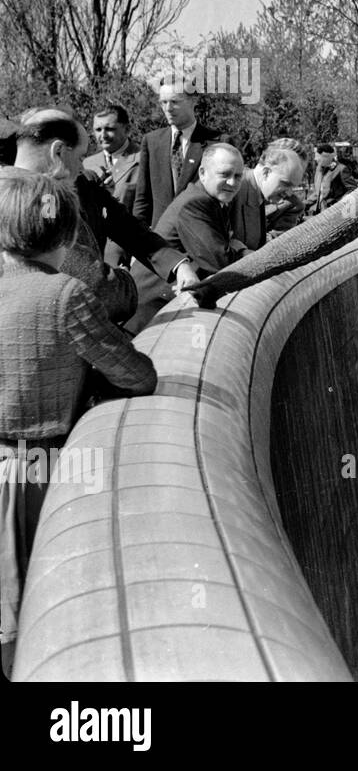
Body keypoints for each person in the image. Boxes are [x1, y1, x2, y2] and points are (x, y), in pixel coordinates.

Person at [0, 167, 157, 680]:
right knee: (36, 620)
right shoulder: (67, 295)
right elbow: (137, 375)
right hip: (36, 476)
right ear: (66, 235)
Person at [10, 110, 199, 326]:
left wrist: (178, 265)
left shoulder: (75, 184)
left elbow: (126, 226)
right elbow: (90, 283)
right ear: (59, 152)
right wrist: (124, 278)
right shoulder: (44, 201)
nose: (83, 167)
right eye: (81, 157)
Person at [125, 143, 246, 333]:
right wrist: (243, 250)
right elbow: (219, 261)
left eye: (238, 176)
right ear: (203, 172)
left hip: (164, 307)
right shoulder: (196, 202)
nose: (232, 183)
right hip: (147, 314)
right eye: (225, 174)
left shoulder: (212, 199)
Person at [133, 84, 223, 227]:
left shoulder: (218, 142)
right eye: (163, 102)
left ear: (194, 101)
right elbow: (142, 198)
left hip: (201, 234)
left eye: (175, 102)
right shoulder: (151, 141)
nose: (168, 108)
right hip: (160, 238)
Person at [82, 104, 141, 266]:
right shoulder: (88, 163)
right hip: (94, 253)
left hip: (132, 250)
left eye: (110, 129)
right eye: (98, 130)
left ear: (127, 129)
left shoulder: (143, 159)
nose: (103, 135)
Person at [229, 146, 305, 252]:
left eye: (292, 188)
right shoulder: (232, 188)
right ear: (266, 173)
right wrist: (242, 252)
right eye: (285, 184)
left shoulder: (258, 193)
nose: (289, 193)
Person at [306, 142, 358, 216]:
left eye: (318, 157)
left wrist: (340, 203)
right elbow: (319, 192)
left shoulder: (341, 169)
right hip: (321, 212)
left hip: (337, 212)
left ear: (326, 157)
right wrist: (305, 203)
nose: (316, 159)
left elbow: (353, 188)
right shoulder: (320, 170)